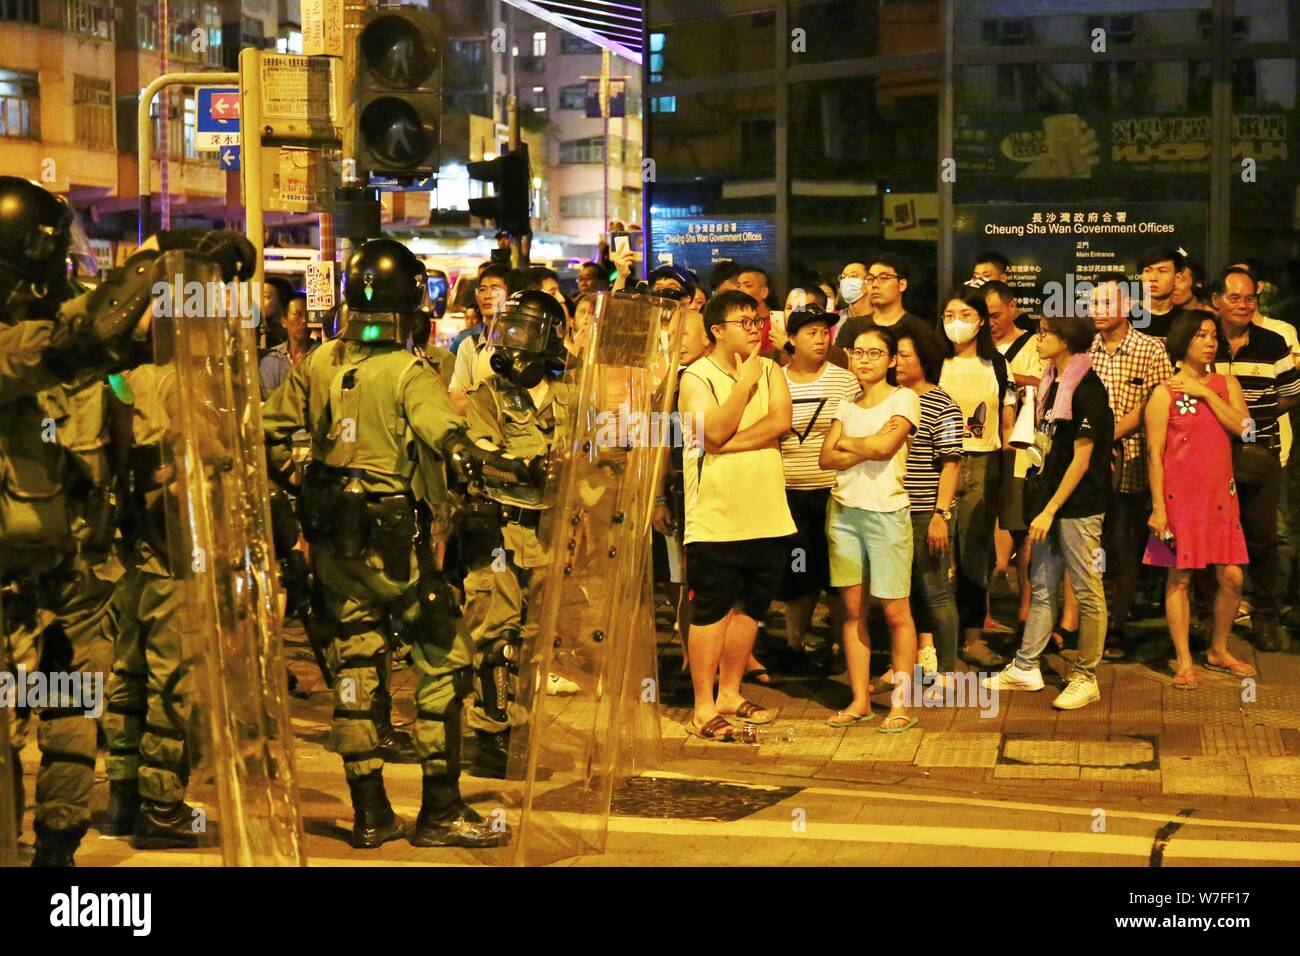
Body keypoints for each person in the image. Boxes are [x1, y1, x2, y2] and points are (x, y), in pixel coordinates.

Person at [0, 176, 253, 865]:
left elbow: (115, 329)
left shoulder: (57, 337)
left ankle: (57, 857)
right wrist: (159, 254)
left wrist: (179, 263)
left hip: (69, 584)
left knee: (71, 725)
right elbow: (76, 339)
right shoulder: (23, 345)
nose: (63, 269)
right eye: (50, 256)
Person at [262, 238, 507, 850]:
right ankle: (440, 809)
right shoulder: (407, 370)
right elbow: (444, 432)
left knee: (355, 664)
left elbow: (266, 431)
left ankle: (369, 814)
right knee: (444, 659)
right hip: (395, 548)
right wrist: (477, 459)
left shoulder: (318, 362)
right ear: (409, 302)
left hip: (333, 549)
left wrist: (305, 478)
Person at [459, 290, 575, 776]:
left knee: (535, 641)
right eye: (507, 330)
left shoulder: (573, 397)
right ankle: (489, 733)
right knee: (493, 637)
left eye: (524, 332)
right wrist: (525, 466)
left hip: (552, 536)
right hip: (502, 535)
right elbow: (477, 455)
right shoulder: (486, 397)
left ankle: (521, 727)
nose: (511, 343)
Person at [677, 291, 796, 741]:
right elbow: (711, 433)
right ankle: (703, 706)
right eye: (743, 322)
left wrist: (725, 440)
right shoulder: (697, 378)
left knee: (750, 608)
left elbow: (780, 422)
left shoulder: (770, 369)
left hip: (768, 512)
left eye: (757, 321)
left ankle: (730, 692)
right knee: (712, 610)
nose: (754, 329)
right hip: (716, 517)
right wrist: (743, 387)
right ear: (717, 330)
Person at [983, 311, 1114, 710]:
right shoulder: (1050, 383)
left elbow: (1082, 460)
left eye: (1045, 333)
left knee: (1088, 590)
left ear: (1067, 341)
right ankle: (1026, 666)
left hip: (1078, 506)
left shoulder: (1088, 388)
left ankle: (1086, 675)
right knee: (1042, 586)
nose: (1038, 339)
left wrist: (1051, 509)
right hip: (1048, 500)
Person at [1143, 312, 1254, 687]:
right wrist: (1159, 507)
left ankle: (1218, 649)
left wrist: (1206, 393)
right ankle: (1184, 659)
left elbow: (1246, 429)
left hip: (1222, 495)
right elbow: (1155, 454)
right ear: (1183, 340)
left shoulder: (1226, 383)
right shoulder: (1164, 392)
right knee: (1180, 579)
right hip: (1180, 499)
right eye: (1200, 336)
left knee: (1233, 578)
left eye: (1212, 336)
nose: (1209, 342)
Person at [818, 327, 920, 732]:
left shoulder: (904, 398)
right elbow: (826, 456)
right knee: (852, 610)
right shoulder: (845, 404)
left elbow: (884, 449)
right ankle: (859, 699)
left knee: (896, 611)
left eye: (875, 353)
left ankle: (901, 703)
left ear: (892, 360)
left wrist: (852, 445)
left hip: (887, 513)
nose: (865, 359)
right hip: (843, 511)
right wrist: (867, 443)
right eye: (858, 352)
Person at [1209, 267, 1300, 651]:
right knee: (1207, 539)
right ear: (1217, 301)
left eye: (1250, 298)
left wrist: (1251, 420)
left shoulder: (1273, 343)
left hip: (1260, 455)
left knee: (1262, 539)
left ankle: (1265, 616)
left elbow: (1290, 395)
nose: (1244, 305)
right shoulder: (1203, 339)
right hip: (1208, 459)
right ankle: (1206, 617)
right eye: (1235, 298)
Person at [1087, 281, 1174, 658]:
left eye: (1107, 302)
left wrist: (1109, 434)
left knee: (1123, 549)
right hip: (1086, 463)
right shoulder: (1083, 349)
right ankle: (1090, 624)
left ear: (1128, 306)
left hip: (1134, 463)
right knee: (1092, 548)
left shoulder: (1151, 348)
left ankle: (1116, 628)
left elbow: (1161, 401)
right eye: (1092, 303)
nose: (1098, 309)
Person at [775, 307, 860, 671]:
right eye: (811, 332)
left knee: (840, 574)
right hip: (789, 492)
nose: (821, 338)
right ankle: (794, 646)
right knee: (799, 573)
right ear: (792, 339)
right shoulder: (773, 380)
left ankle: (842, 648)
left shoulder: (845, 381)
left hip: (834, 492)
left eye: (825, 332)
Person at [937, 286, 1016, 666]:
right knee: (934, 552)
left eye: (966, 316)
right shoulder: (934, 361)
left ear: (981, 321)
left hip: (983, 464)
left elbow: (1007, 420)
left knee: (973, 555)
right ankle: (932, 641)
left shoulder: (997, 364)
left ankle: (972, 638)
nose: (956, 323)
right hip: (937, 465)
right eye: (949, 316)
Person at [895, 326, 963, 678]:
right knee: (900, 592)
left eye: (905, 355)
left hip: (924, 511)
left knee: (936, 591)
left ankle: (949, 673)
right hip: (891, 510)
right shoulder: (891, 398)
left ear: (925, 359)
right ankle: (903, 667)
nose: (897, 362)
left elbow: (950, 465)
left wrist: (941, 514)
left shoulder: (943, 405)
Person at [652, 309, 712, 668]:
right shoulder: (666, 386)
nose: (678, 343)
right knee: (682, 580)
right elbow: (658, 443)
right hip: (680, 495)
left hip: (720, 493)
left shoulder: (721, 379)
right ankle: (692, 660)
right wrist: (660, 497)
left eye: (686, 335)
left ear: (708, 338)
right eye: (672, 336)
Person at [983, 280, 1042, 628]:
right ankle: (984, 612)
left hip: (1021, 449)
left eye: (994, 314)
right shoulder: (970, 347)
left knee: (1024, 531)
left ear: (1012, 307)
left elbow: (1043, 381)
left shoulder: (1033, 344)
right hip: (981, 447)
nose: (989, 322)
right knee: (978, 530)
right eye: (983, 316)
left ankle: (1026, 610)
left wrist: (1004, 375)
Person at [449, 263, 512, 410]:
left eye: (496, 289)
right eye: (483, 289)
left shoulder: (519, 343)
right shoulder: (469, 345)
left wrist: (474, 397)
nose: (487, 295)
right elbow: (455, 402)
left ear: (510, 296)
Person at [259, 293, 317, 397]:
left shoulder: (320, 356)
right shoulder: (270, 359)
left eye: (308, 315)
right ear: (284, 321)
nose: (304, 320)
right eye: (298, 314)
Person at [1138, 245, 1190, 338]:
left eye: (1162, 271)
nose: (1153, 278)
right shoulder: (1125, 318)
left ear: (1177, 278)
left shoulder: (1186, 320)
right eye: (1147, 271)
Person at [832, 261, 873, 347]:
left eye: (853, 276)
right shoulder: (833, 319)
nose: (846, 281)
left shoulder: (881, 318)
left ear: (868, 281)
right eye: (843, 277)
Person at [259, 276, 292, 348]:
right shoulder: (261, 332)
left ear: (282, 300)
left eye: (266, 297)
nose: (261, 301)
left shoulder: (293, 331)